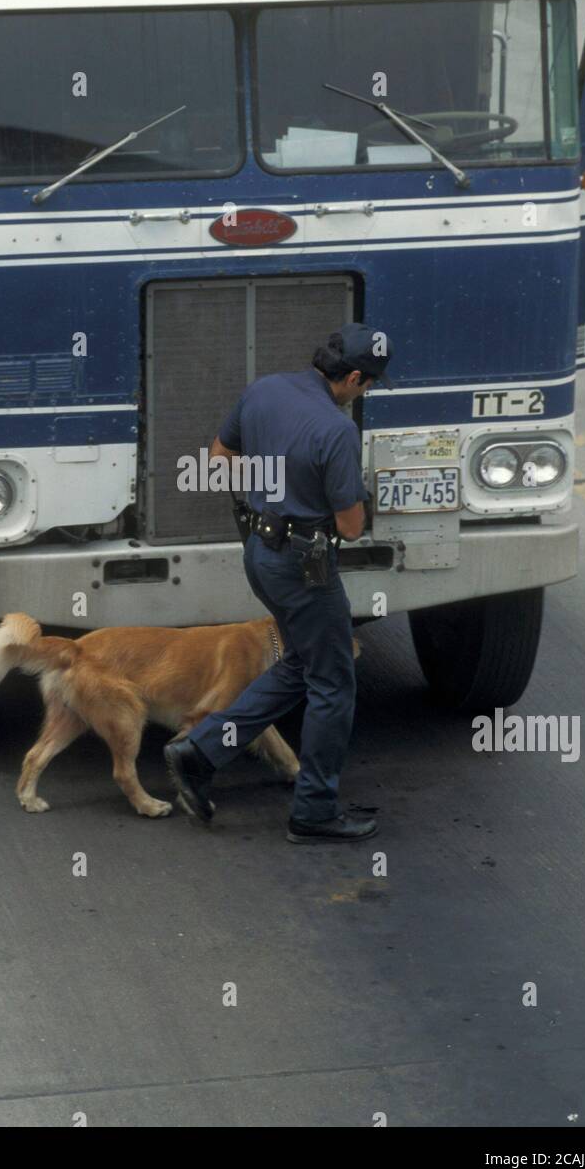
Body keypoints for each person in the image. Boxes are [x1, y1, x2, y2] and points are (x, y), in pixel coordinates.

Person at [164, 323, 394, 844]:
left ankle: (200, 751)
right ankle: (313, 810)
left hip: (261, 555)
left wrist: (277, 486)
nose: (367, 393)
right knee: (334, 683)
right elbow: (351, 527)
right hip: (305, 568)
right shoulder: (336, 431)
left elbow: (219, 461)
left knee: (301, 664)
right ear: (353, 377)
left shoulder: (264, 388)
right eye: (370, 384)